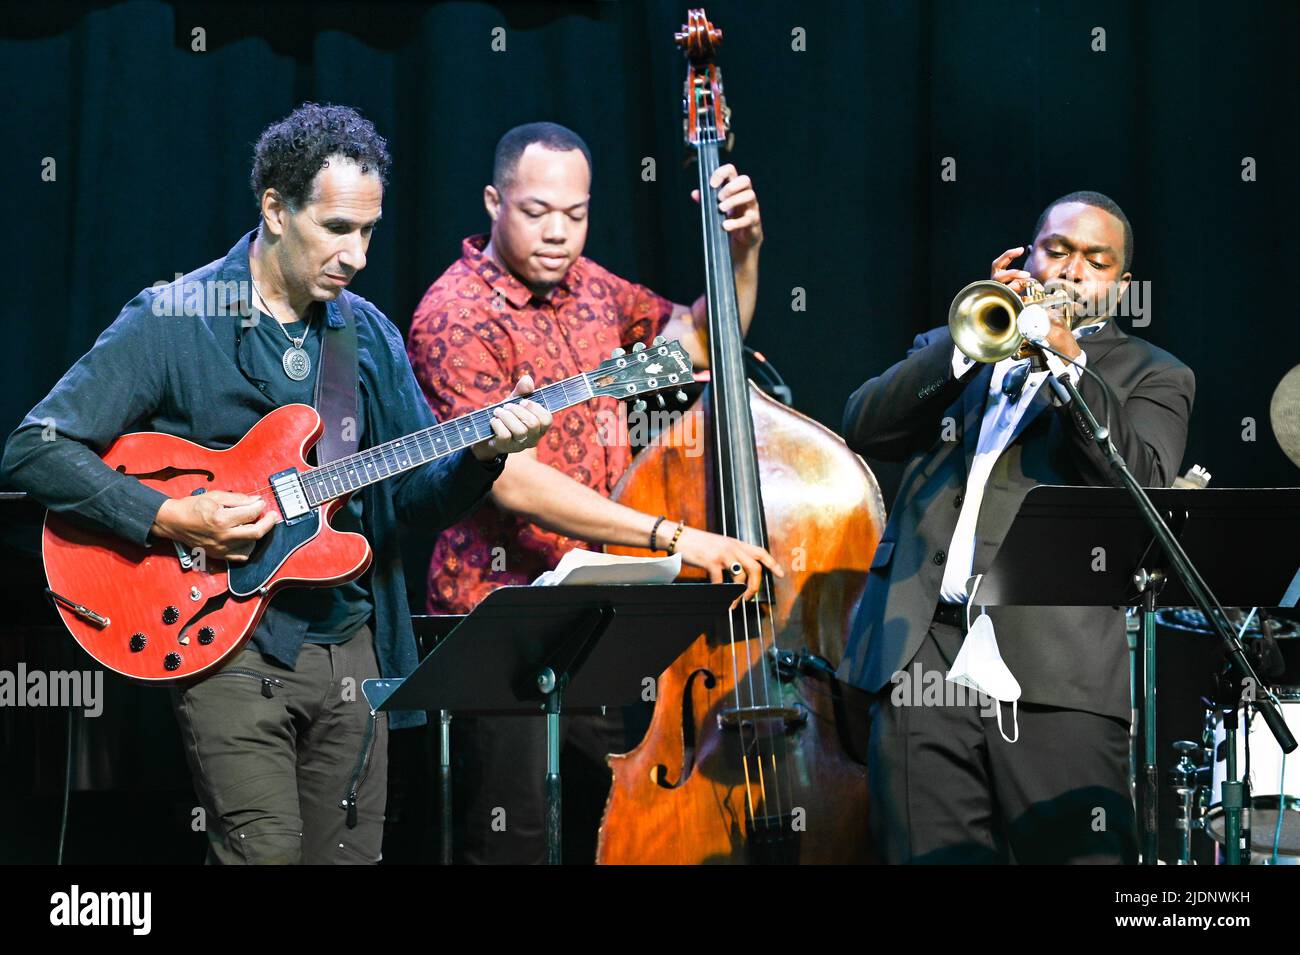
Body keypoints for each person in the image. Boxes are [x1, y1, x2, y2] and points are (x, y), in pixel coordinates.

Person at [1, 103, 550, 864]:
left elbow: (419, 495)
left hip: (353, 652)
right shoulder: (175, 317)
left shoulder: (368, 334)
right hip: (228, 645)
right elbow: (34, 448)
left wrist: (485, 452)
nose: (356, 254)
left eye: (368, 231)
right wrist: (169, 515)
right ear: (275, 210)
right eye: (336, 229)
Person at [407, 121, 780, 862]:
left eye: (575, 215)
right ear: (492, 201)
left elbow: (709, 341)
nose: (558, 233)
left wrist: (742, 249)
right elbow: (511, 479)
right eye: (537, 211)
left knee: (609, 836)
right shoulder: (452, 314)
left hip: (602, 613)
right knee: (511, 846)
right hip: (503, 624)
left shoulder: (595, 290)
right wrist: (673, 536)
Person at [839, 191, 1195, 864]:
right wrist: (961, 344)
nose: (1069, 269)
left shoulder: (1153, 374)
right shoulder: (961, 348)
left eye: (1095, 259)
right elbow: (864, 423)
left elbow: (1142, 486)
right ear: (1026, 256)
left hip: (1057, 671)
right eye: (1055, 250)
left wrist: (1068, 363)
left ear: (1120, 284)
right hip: (924, 657)